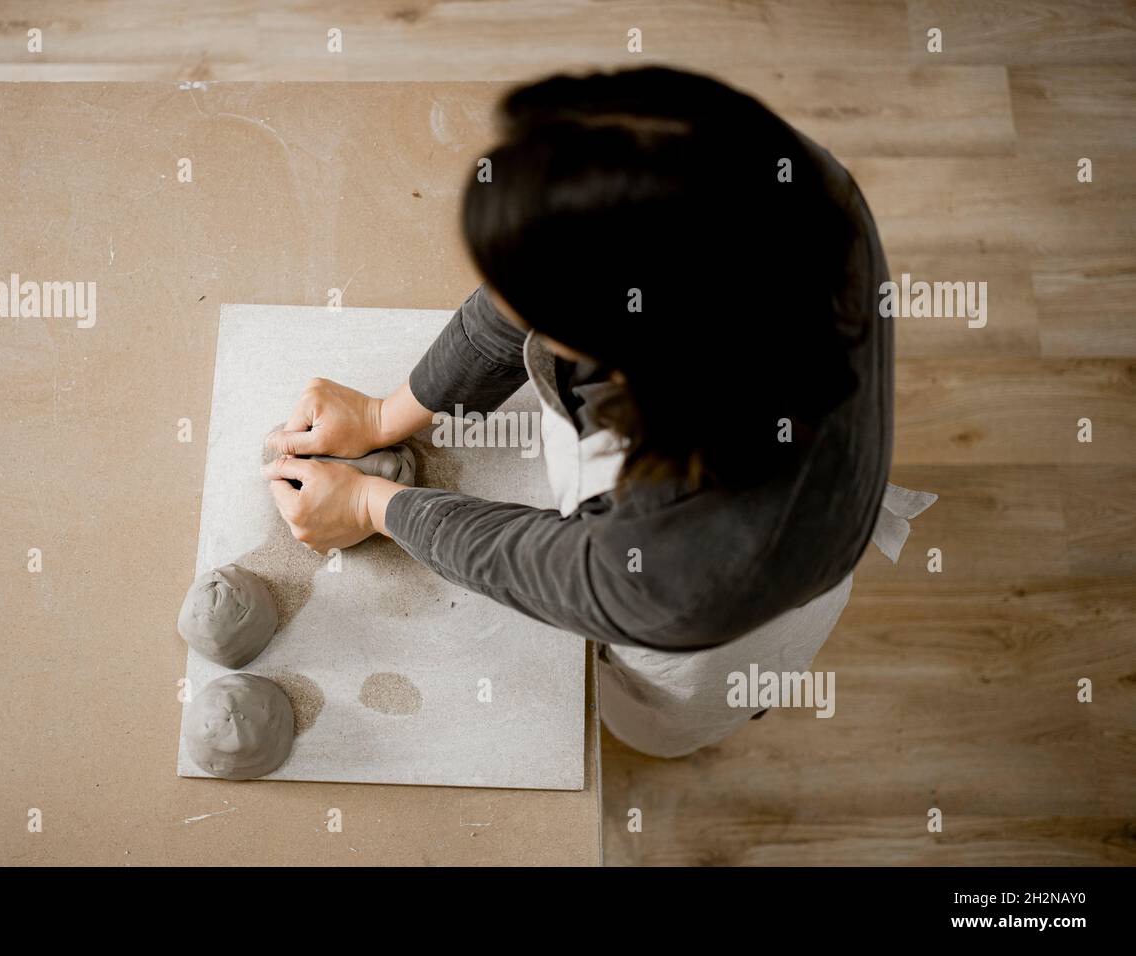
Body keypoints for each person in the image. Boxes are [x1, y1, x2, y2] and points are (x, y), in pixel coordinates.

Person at [263, 66, 932, 757]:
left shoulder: (686, 568)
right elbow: (552, 267)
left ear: (626, 356)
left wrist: (377, 506)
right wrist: (386, 415)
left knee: (659, 714)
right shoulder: (776, 180)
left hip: (735, 621)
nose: (510, 305)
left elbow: (546, 563)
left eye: (538, 312)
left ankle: (702, 724)